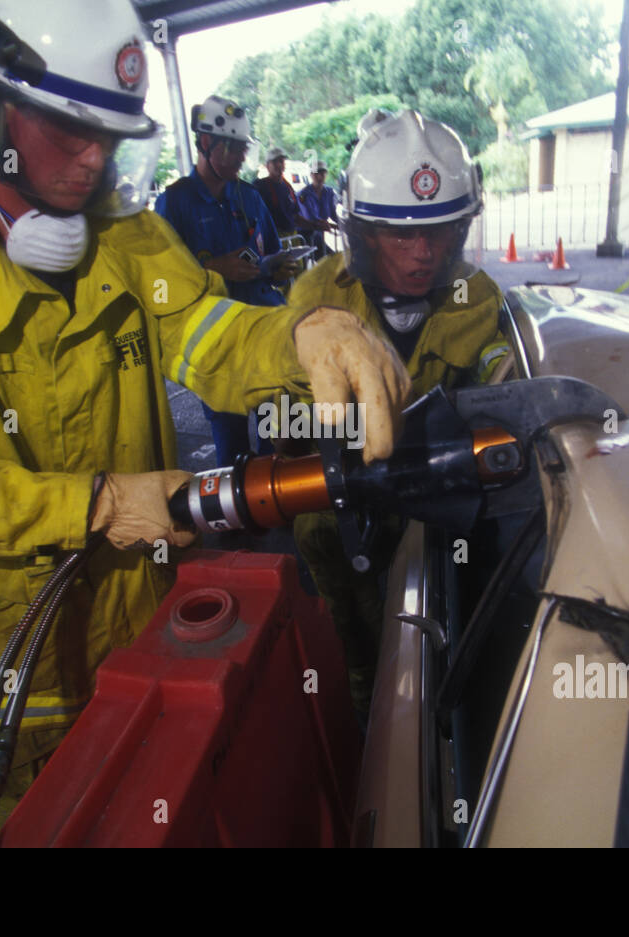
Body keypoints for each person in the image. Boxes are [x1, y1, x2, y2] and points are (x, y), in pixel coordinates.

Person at [0, 0, 409, 826]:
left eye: (112, 138)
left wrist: (300, 333)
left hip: (140, 623)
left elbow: (207, 331)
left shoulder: (122, 233)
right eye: (70, 130)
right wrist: (99, 504)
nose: (94, 161)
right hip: (0, 673)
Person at [284, 110, 510, 718]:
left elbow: (497, 362)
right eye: (400, 237)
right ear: (361, 235)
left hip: (435, 497)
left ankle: (433, 700)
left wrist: (505, 373)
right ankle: (363, 698)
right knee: (345, 608)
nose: (423, 254)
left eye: (441, 233)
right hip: (340, 498)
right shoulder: (315, 300)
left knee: (445, 610)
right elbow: (286, 420)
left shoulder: (476, 297)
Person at [155, 95, 302, 467]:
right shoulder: (174, 203)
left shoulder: (249, 197)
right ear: (206, 143)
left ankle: (279, 487)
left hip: (264, 332)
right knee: (231, 448)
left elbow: (268, 252)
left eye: (243, 148)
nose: (241, 156)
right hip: (217, 346)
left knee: (281, 440)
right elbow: (160, 285)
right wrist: (214, 270)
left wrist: (276, 267)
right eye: (234, 148)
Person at [254, 147, 316, 241]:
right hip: (273, 240)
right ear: (267, 166)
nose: (279, 165)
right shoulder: (260, 186)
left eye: (281, 161)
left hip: (292, 237)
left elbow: (295, 217)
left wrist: (315, 225)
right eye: (275, 162)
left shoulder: (288, 187)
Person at [297, 160, 339, 259]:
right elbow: (309, 217)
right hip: (305, 236)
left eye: (322, 173)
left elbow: (333, 214)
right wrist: (329, 225)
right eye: (316, 173)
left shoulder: (329, 192)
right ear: (311, 175)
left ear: (326, 175)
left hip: (319, 234)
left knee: (331, 257)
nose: (320, 177)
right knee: (328, 259)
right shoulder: (303, 194)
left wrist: (344, 225)